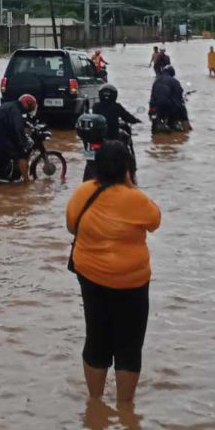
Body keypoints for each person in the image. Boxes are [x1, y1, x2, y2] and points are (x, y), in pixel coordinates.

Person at [66, 140, 161, 407]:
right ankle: (125, 409)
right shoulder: (136, 199)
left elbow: (71, 225)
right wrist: (130, 185)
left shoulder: (82, 193)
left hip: (91, 277)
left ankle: (94, 403)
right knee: (129, 345)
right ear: (127, 168)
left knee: (96, 338)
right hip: (132, 282)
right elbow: (155, 220)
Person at [0, 93, 38, 182]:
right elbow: (17, 129)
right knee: (21, 155)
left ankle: (0, 179)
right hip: (0, 137)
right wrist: (23, 143)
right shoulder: (16, 111)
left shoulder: (10, 105)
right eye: (31, 107)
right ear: (27, 105)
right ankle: (27, 181)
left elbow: (15, 123)